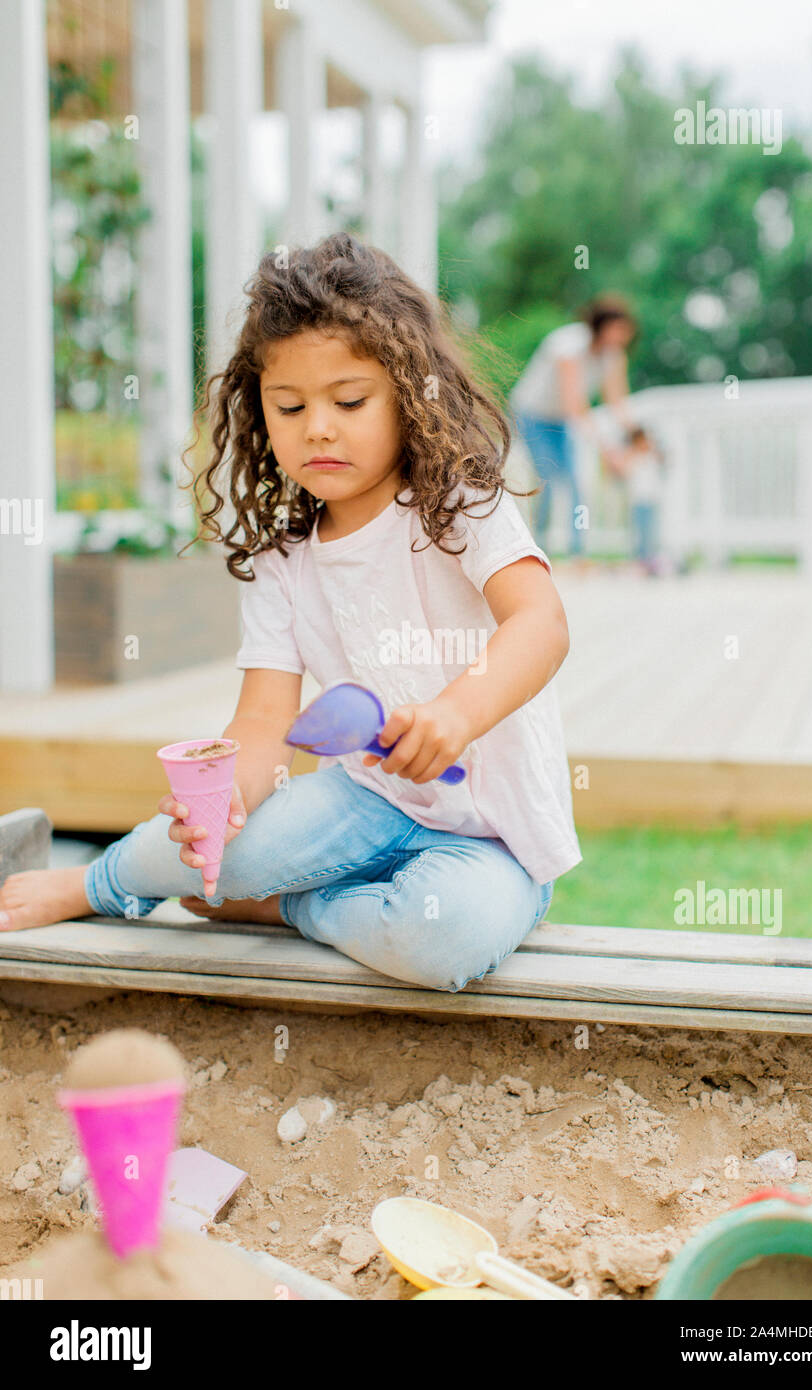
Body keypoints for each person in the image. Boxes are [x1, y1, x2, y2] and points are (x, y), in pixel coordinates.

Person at [0, 233, 583, 994]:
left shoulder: (459, 505)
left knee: (445, 941)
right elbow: (265, 724)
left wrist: (458, 713)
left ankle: (287, 908)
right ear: (259, 412)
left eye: (349, 401)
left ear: (409, 392)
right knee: (216, 853)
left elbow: (542, 624)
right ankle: (97, 883)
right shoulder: (286, 559)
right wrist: (228, 795)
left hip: (489, 832)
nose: (318, 428)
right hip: (363, 799)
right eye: (290, 406)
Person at [510, 294, 638, 563]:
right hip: (533, 414)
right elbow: (574, 404)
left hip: (560, 420)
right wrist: (607, 450)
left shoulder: (612, 355)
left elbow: (617, 403)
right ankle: (537, 548)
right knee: (547, 479)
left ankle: (577, 553)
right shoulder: (569, 345)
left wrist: (635, 439)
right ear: (602, 326)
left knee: (576, 482)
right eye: (618, 329)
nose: (622, 337)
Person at [620, 426, 666, 576]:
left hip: (651, 500)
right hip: (637, 501)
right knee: (639, 531)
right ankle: (640, 561)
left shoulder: (651, 457)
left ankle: (651, 560)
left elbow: (663, 458)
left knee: (651, 532)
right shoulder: (633, 458)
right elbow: (623, 470)